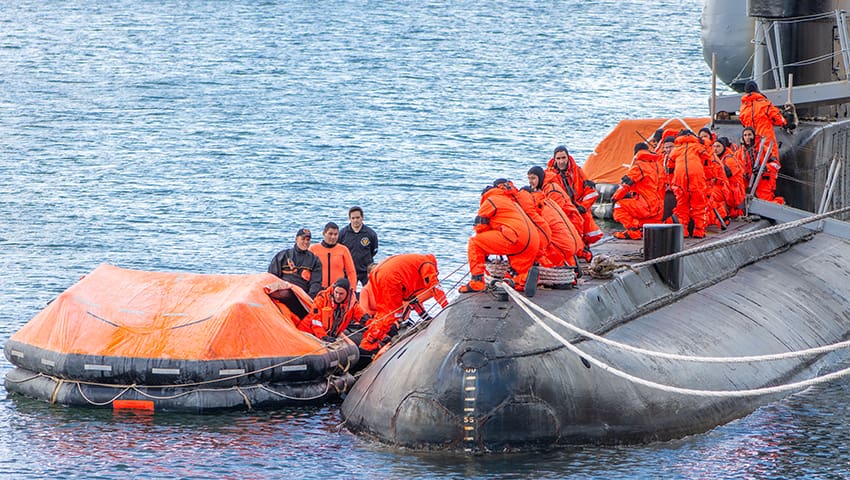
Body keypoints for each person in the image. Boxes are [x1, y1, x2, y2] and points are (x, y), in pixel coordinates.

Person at [459, 181, 541, 295]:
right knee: (518, 271)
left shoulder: (490, 200)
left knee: (475, 243)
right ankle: (522, 280)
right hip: (532, 240)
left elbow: (480, 228)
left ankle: (476, 283)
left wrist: (484, 254)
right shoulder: (511, 201)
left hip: (515, 238)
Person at [360, 253, 449, 352]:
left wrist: (427, 318)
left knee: (383, 313)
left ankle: (369, 340)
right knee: (392, 315)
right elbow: (435, 287)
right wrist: (446, 307)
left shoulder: (413, 270)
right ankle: (370, 342)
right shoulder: (427, 265)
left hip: (380, 273)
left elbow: (413, 302)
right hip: (390, 277)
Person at [545, 145, 604, 248]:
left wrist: (583, 207)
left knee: (593, 233)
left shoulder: (577, 171)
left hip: (578, 206)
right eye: (558, 158)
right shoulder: (549, 175)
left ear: (568, 158)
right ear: (554, 159)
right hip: (562, 208)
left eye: (563, 158)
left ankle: (582, 246)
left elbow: (591, 191)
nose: (561, 161)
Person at [527, 166, 583, 266]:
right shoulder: (545, 193)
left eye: (533, 178)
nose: (530, 181)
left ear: (540, 178)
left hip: (572, 223)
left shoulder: (550, 191)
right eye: (529, 178)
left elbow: (558, 215)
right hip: (569, 228)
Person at [611, 142, 664, 240]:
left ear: (635, 153)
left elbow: (625, 185)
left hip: (646, 206)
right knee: (638, 207)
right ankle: (641, 230)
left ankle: (633, 232)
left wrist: (615, 198)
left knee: (619, 206)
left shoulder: (638, 167)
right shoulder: (659, 166)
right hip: (659, 207)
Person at [268, 228, 323, 318]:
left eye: (308, 240)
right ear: (296, 239)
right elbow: (271, 276)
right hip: (283, 291)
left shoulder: (314, 260)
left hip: (302, 297)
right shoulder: (283, 255)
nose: (305, 242)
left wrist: (309, 298)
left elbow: (316, 282)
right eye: (303, 239)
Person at [298, 277, 371, 343]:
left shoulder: (351, 304)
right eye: (336, 292)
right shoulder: (321, 299)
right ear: (333, 290)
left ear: (347, 293)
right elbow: (315, 321)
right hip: (308, 333)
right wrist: (323, 336)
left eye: (341, 294)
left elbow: (362, 316)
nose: (338, 296)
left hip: (327, 336)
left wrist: (372, 324)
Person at [670, 131, 710, 238]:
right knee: (699, 204)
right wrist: (704, 142)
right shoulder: (697, 147)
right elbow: (708, 155)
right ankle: (699, 231)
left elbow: (669, 164)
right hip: (696, 177)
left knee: (682, 204)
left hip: (680, 178)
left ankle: (683, 231)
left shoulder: (676, 149)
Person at [739, 80, 786, 160]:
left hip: (750, 140)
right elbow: (778, 119)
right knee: (771, 163)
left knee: (752, 162)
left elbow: (743, 122)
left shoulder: (743, 107)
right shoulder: (765, 104)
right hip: (765, 139)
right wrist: (785, 121)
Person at [309, 222, 358, 289]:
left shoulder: (343, 250)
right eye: (330, 234)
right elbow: (307, 271)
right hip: (318, 288)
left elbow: (351, 272)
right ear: (324, 233)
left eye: (336, 234)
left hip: (337, 290)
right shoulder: (313, 249)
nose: (333, 237)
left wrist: (353, 289)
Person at [339, 206, 379, 287]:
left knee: (370, 293)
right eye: (353, 218)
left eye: (357, 217)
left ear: (362, 218)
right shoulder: (343, 233)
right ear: (349, 219)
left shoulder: (370, 233)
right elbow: (339, 250)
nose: (355, 220)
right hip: (349, 271)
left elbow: (374, 250)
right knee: (349, 294)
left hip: (365, 270)